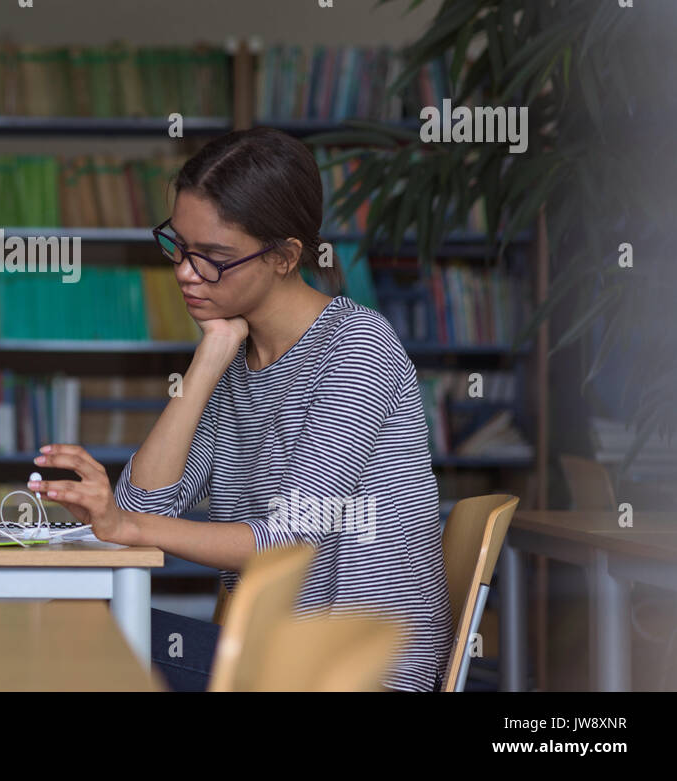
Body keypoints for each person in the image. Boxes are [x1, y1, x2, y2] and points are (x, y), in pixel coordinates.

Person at [30, 127, 452, 691]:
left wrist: (125, 523)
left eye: (213, 258)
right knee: (70, 627)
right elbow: (141, 505)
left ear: (284, 257)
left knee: (79, 635)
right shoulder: (234, 357)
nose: (184, 271)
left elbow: (286, 541)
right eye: (178, 245)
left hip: (349, 669)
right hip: (270, 657)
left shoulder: (356, 348)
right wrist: (209, 358)